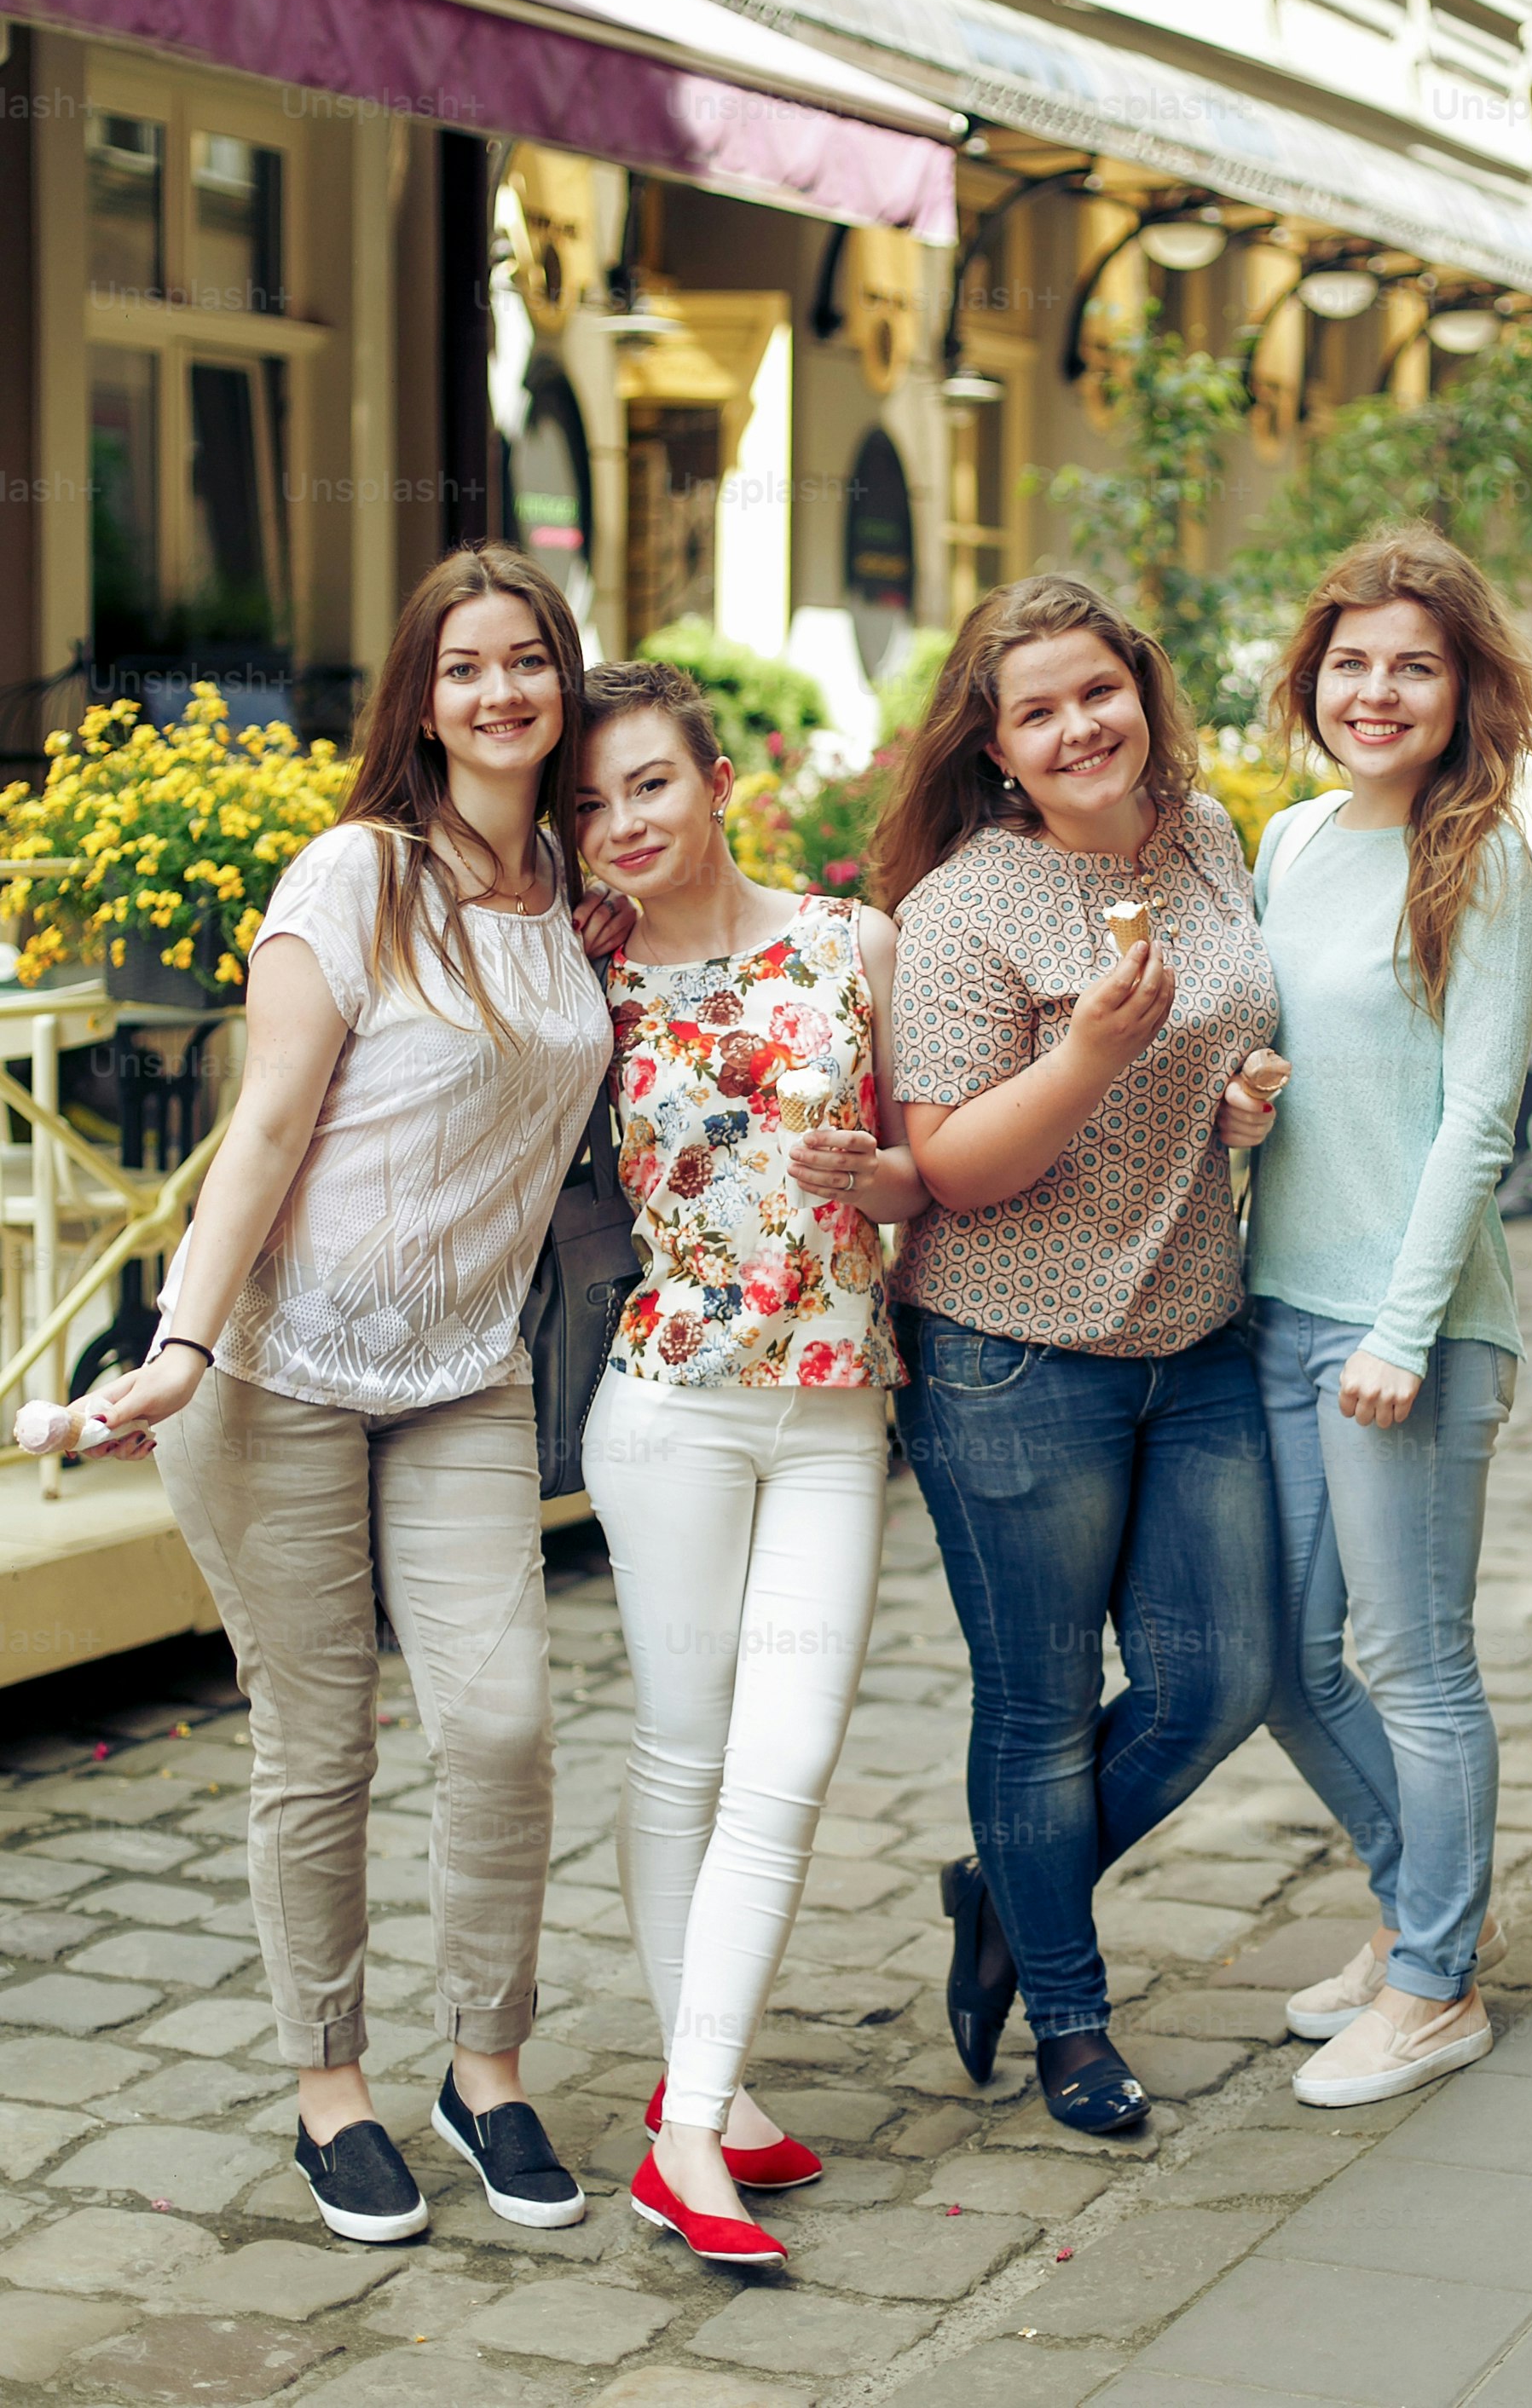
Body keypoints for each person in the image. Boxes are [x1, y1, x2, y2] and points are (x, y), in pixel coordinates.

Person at [94, 546, 622, 2241]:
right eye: (464, 665)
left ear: (564, 682)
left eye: (527, 661)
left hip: (463, 1377)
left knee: (498, 1724)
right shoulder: (355, 878)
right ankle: (333, 2089)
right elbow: (262, 1127)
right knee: (318, 1751)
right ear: (421, 695)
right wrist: (178, 1344)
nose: (499, 692)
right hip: (281, 1375)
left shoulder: (575, 882)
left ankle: (490, 2067)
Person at [868, 575, 1281, 2136]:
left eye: (1097, 691)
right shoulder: (962, 912)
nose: (1078, 727)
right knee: (1036, 1710)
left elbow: (1232, 1024)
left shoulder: (1203, 835)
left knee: (1216, 1677)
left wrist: (1243, 1087)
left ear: (1142, 691)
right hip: (1013, 1356)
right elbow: (955, 1170)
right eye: (1037, 710)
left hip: (1197, 1332)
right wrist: (1095, 1051)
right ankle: (1068, 2018)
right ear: (997, 744)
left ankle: (1003, 1881)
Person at [575, 659, 928, 2267]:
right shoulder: (584, 978)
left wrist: (896, 1174)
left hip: (838, 1409)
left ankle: (691, 2124)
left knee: (782, 1769)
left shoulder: (854, 945)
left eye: (648, 782)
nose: (621, 821)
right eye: (587, 804)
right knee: (683, 1756)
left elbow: (933, 1166)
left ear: (721, 779)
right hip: (670, 1416)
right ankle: (697, 2113)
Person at [1246, 524, 1532, 2107]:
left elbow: (1477, 1124)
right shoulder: (1290, 840)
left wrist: (1403, 1333)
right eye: (1352, 663)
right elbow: (1288, 1066)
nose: (1378, 692)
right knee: (1290, 1660)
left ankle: (1435, 1986)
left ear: (1460, 688)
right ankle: (1425, 1892)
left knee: (1415, 1659)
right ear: (1315, 679)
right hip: (1282, 1305)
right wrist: (1244, 1100)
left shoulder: (1482, 853)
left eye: (1412, 667)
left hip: (1406, 1334)